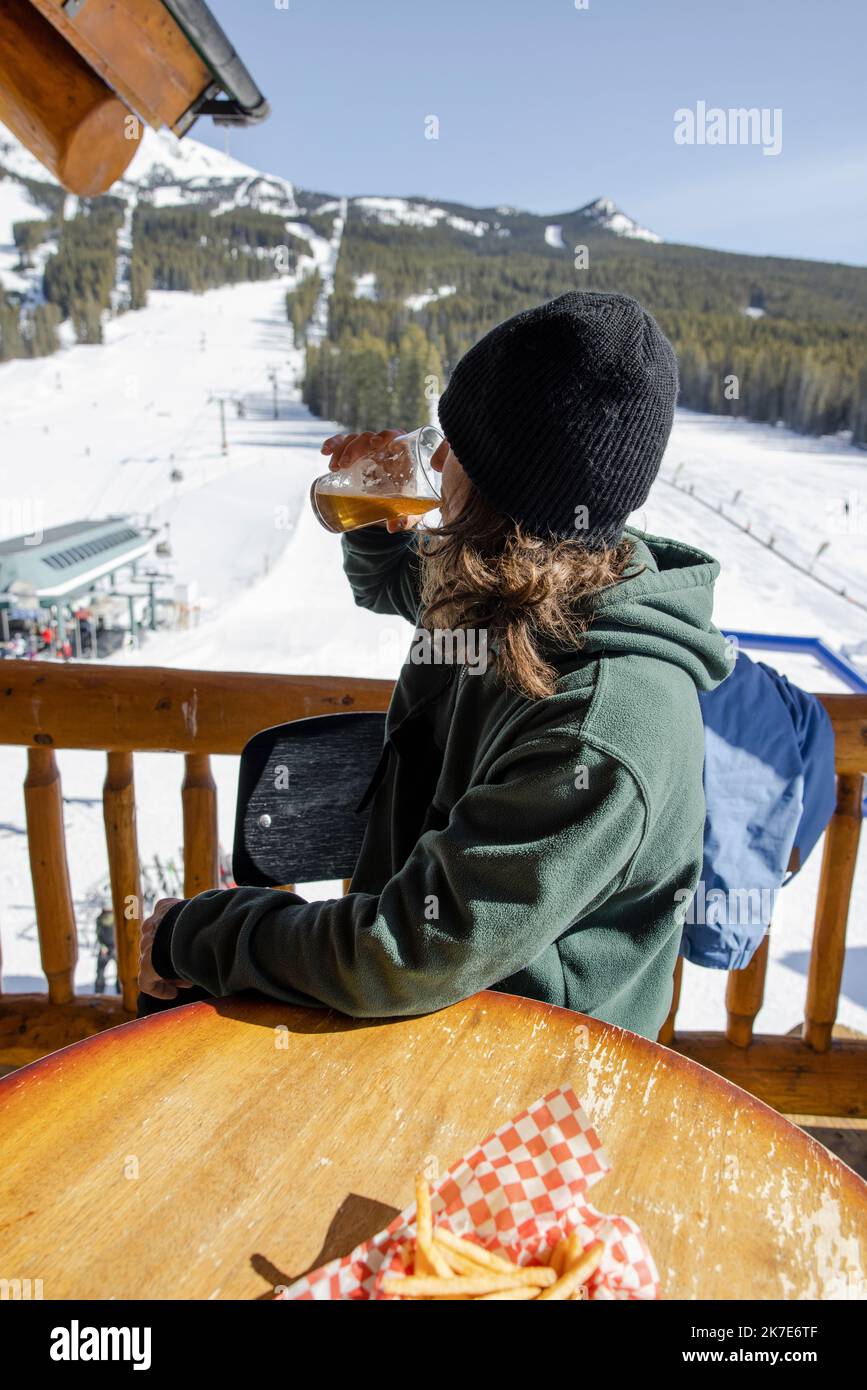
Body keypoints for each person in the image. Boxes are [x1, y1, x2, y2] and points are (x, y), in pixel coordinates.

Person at [139, 291, 732, 1040]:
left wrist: (197, 932)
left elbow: (402, 953)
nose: (437, 459)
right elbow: (391, 585)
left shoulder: (599, 725)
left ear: (500, 495)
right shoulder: (514, 583)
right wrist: (382, 526)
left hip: (529, 1086)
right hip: (430, 1018)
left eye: (458, 447)